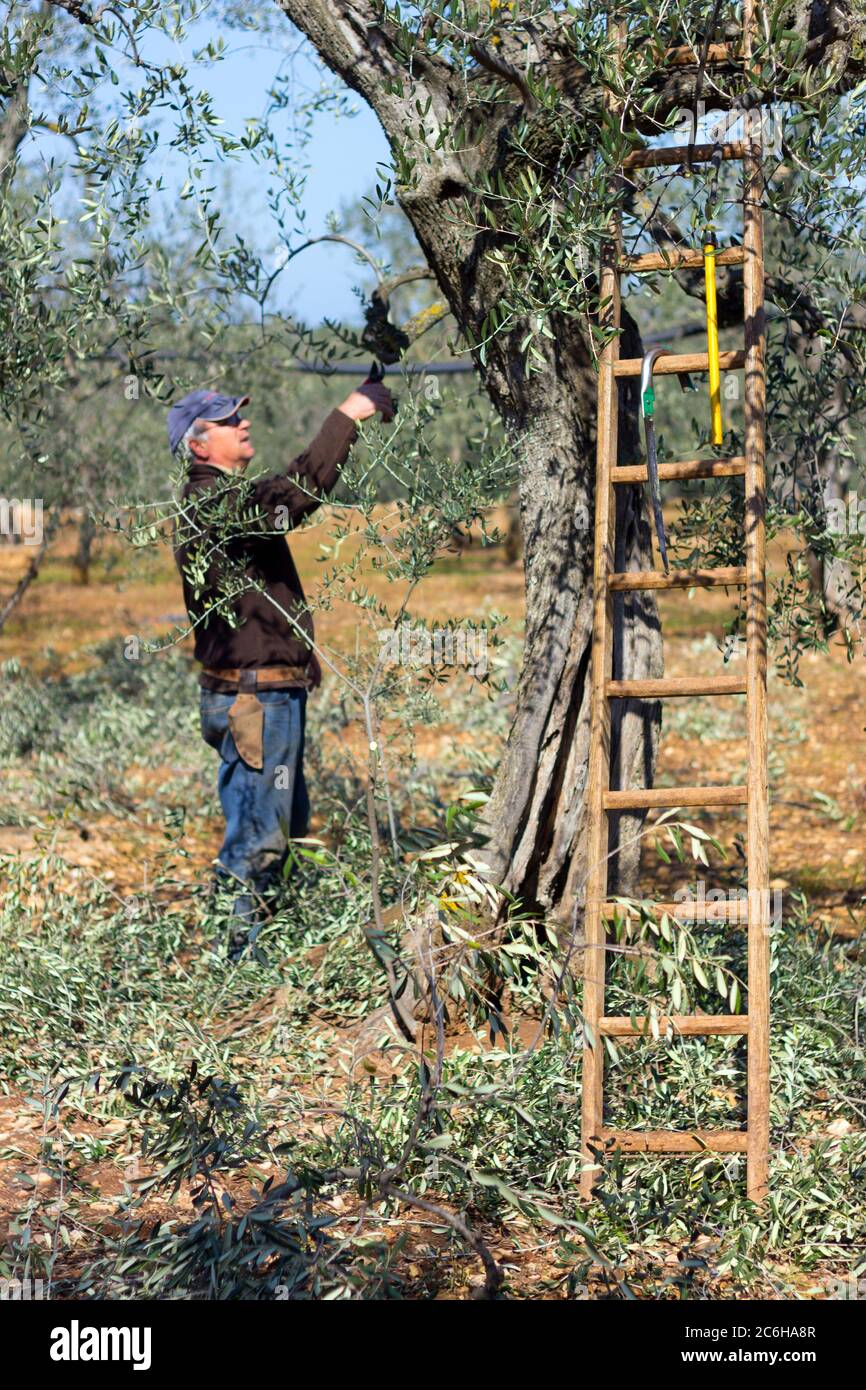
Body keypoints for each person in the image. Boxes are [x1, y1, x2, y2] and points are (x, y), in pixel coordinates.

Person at [169, 377, 394, 957]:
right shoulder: (214, 507)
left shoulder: (220, 510)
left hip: (262, 701)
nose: (243, 423)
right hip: (255, 706)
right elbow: (296, 492)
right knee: (259, 837)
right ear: (198, 446)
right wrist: (348, 415)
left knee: (284, 826)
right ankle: (239, 963)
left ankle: (269, 947)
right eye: (227, 420)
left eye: (240, 415)